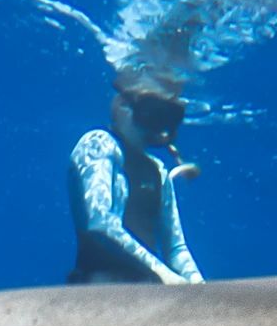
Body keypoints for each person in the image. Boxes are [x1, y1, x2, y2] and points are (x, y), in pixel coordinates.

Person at [66, 77, 204, 286]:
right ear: (122, 104)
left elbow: (176, 248)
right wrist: (163, 274)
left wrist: (200, 287)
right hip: (100, 291)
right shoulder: (98, 144)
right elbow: (100, 222)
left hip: (149, 294)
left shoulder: (158, 170)